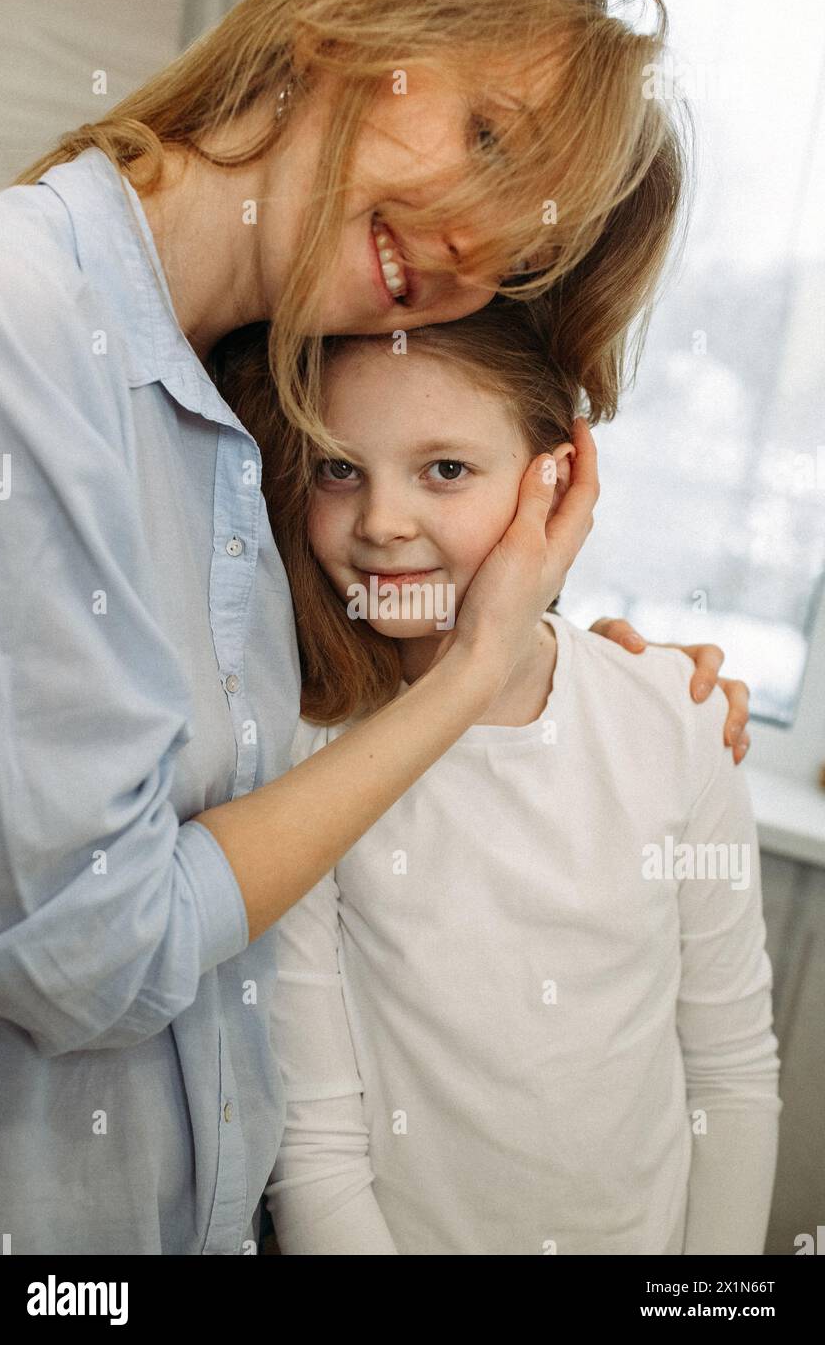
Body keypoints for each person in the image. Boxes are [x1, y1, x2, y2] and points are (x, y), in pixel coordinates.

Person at [0, 0, 749, 1255]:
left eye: (520, 247)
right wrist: (473, 677)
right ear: (349, 17)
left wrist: (590, 688)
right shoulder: (18, 333)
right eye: (485, 134)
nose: (471, 249)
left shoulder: (245, 411)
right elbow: (90, 956)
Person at [256, 305, 781, 1254]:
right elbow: (316, 1148)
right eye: (340, 469)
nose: (380, 521)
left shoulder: (676, 722)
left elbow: (731, 1076)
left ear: (559, 479)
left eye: (445, 469)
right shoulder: (303, 766)